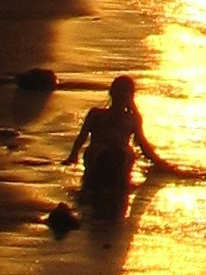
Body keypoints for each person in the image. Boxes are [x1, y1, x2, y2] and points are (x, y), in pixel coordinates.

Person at [68, 75, 164, 213]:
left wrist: (159, 163)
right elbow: (82, 137)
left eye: (125, 93)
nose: (121, 97)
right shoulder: (96, 114)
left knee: (119, 155)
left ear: (130, 97)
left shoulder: (133, 119)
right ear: (112, 93)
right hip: (98, 153)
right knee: (105, 155)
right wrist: (73, 155)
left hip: (120, 156)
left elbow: (143, 145)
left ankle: (113, 190)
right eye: (119, 92)